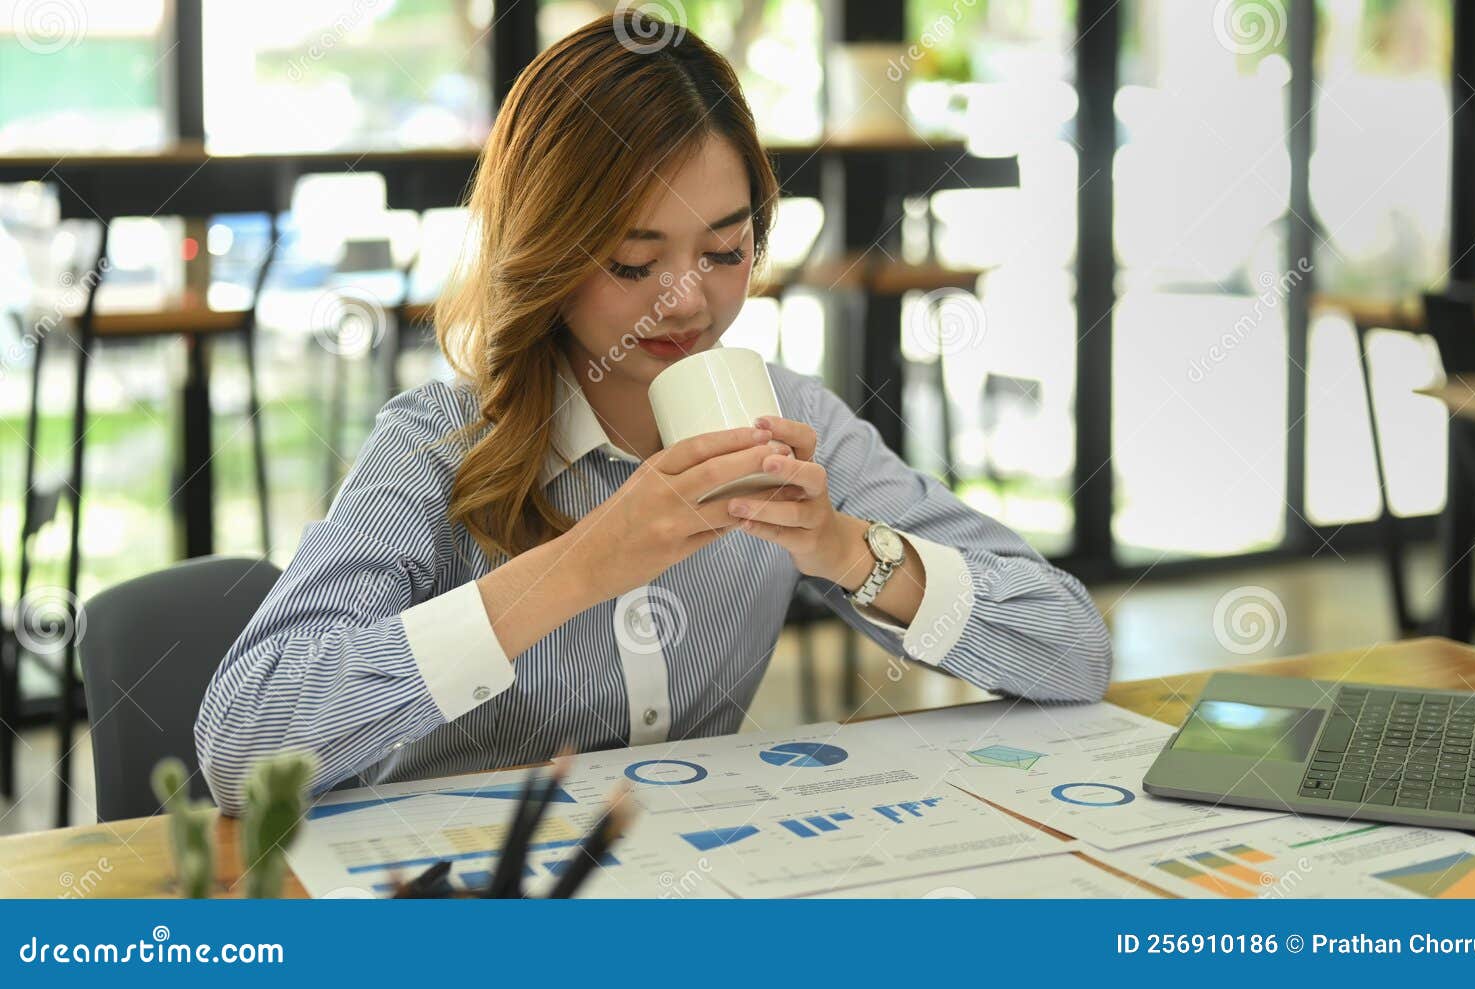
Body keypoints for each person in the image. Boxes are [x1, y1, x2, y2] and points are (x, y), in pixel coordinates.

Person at [195, 13, 1111, 816]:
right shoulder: (440, 443)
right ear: (545, 251)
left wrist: (842, 548)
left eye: (727, 250)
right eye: (634, 265)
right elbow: (243, 748)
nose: (687, 302)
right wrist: (581, 566)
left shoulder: (792, 424)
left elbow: (1072, 651)